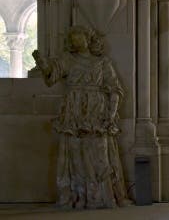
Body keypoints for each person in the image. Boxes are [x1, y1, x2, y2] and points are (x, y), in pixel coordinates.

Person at [32, 26, 131, 209]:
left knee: (99, 153)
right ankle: (78, 196)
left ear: (88, 39)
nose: (76, 41)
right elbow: (52, 76)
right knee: (75, 151)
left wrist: (110, 114)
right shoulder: (68, 60)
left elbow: (115, 90)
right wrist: (43, 64)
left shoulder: (103, 63)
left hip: (96, 110)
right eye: (73, 38)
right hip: (74, 110)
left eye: (79, 37)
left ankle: (102, 196)